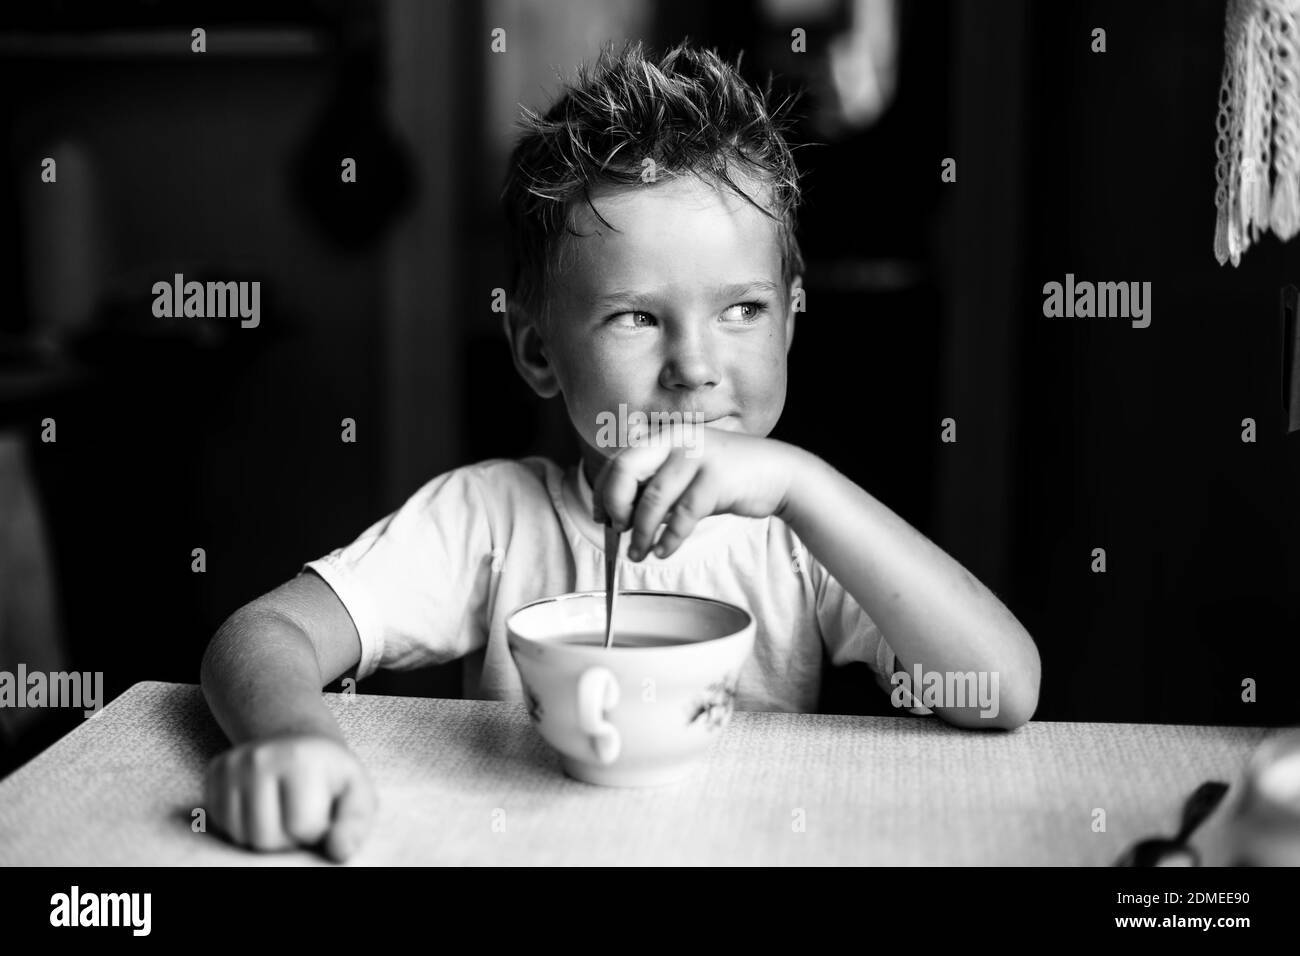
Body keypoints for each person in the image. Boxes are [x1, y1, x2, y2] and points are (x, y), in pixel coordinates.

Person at [200, 41, 1041, 861]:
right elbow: (264, 632)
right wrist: (293, 737)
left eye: (742, 310)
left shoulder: (805, 537)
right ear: (537, 352)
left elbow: (1003, 690)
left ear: (791, 317)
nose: (697, 368)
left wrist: (806, 487)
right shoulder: (488, 521)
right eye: (637, 316)